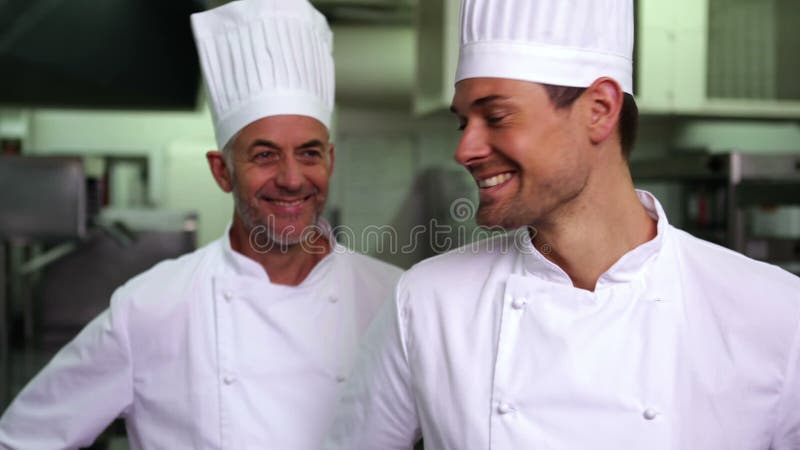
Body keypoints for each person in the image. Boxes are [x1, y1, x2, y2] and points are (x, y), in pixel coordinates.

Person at [323, 0, 800, 449]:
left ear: (599, 110)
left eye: (496, 116)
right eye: (463, 122)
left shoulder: (775, 315)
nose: (464, 149)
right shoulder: (427, 302)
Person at [0, 0, 401, 449]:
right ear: (221, 170)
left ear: (330, 160)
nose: (291, 179)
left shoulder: (398, 302)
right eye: (264, 155)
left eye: (309, 153)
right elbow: (22, 440)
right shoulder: (152, 307)